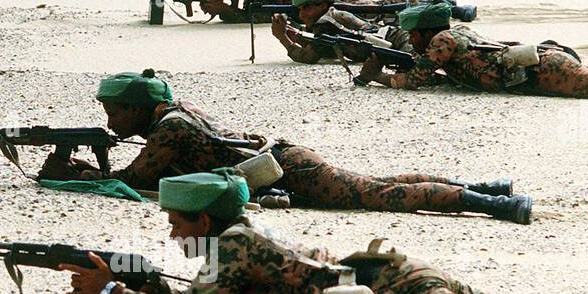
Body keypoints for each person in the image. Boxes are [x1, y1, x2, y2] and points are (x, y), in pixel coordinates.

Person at [64, 169, 588, 294]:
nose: (174, 233)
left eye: (179, 223)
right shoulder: (240, 235)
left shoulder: (230, 249)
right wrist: (138, 281)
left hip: (396, 293)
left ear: (204, 218)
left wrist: (110, 292)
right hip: (390, 278)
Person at [38, 68, 531, 223]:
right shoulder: (175, 115)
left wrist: (79, 174)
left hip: (287, 171)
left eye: (114, 111)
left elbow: (135, 182)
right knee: (377, 184)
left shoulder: (170, 129)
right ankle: (483, 187)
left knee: (378, 196)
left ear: (137, 108)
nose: (109, 119)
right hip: (285, 161)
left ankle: (489, 203)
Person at [358, 0, 588, 99]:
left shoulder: (443, 40)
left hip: (543, 70)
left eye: (413, 35)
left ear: (426, 33)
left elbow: (414, 80)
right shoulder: (458, 32)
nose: (411, 39)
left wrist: (376, 76)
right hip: (543, 63)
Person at [270, 0, 414, 65]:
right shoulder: (329, 17)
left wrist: (282, 37)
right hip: (391, 37)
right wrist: (294, 36)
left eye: (307, 7)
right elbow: (325, 47)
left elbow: (309, 57)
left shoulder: (326, 22)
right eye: (300, 9)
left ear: (322, 6)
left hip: (394, 38)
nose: (302, 14)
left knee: (417, 65)